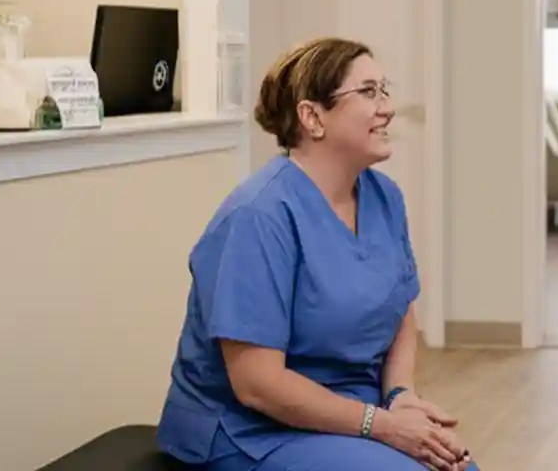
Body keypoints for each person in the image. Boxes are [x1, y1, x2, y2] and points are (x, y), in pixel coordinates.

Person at [156, 37, 478, 471]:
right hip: (250, 430)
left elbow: (401, 313)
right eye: (368, 92)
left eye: (385, 90)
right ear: (312, 117)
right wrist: (382, 426)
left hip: (350, 413)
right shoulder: (260, 216)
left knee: (458, 468)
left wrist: (401, 399)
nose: (387, 107)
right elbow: (258, 384)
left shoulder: (384, 197)